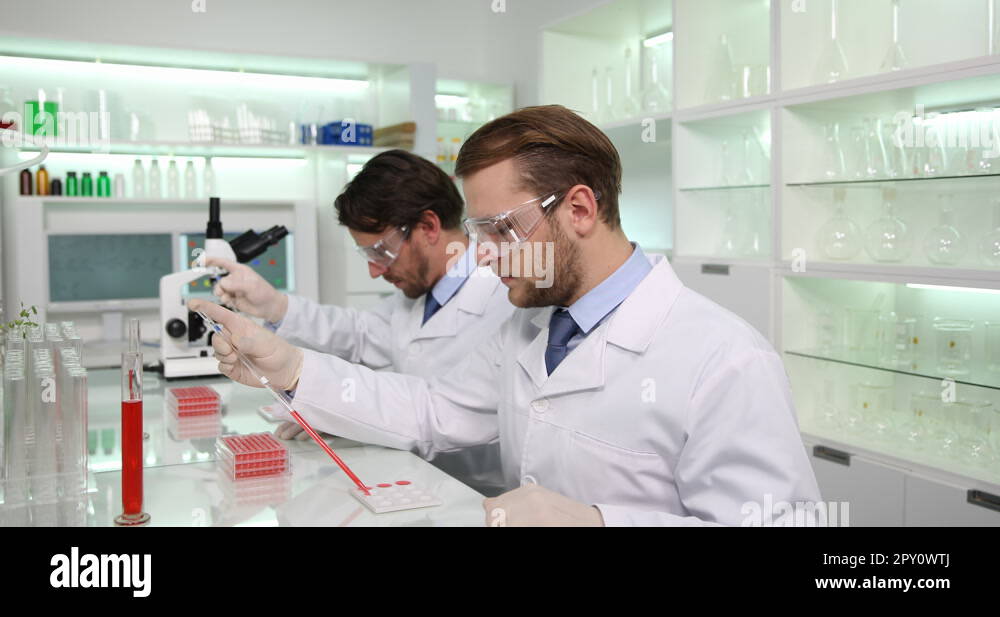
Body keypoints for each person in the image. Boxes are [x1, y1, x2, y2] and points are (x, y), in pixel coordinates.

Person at [191, 105, 821, 526]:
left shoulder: (724, 358)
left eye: (500, 230)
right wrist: (292, 365)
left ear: (578, 209)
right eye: (477, 231)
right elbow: (431, 410)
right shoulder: (528, 326)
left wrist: (601, 522)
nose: (484, 257)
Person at [204, 149, 514, 496]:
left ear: (429, 226)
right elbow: (360, 334)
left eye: (381, 251)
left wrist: (323, 392)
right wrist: (274, 306)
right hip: (417, 483)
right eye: (368, 255)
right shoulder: (420, 295)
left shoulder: (505, 299)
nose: (374, 270)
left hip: (476, 495)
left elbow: (440, 413)